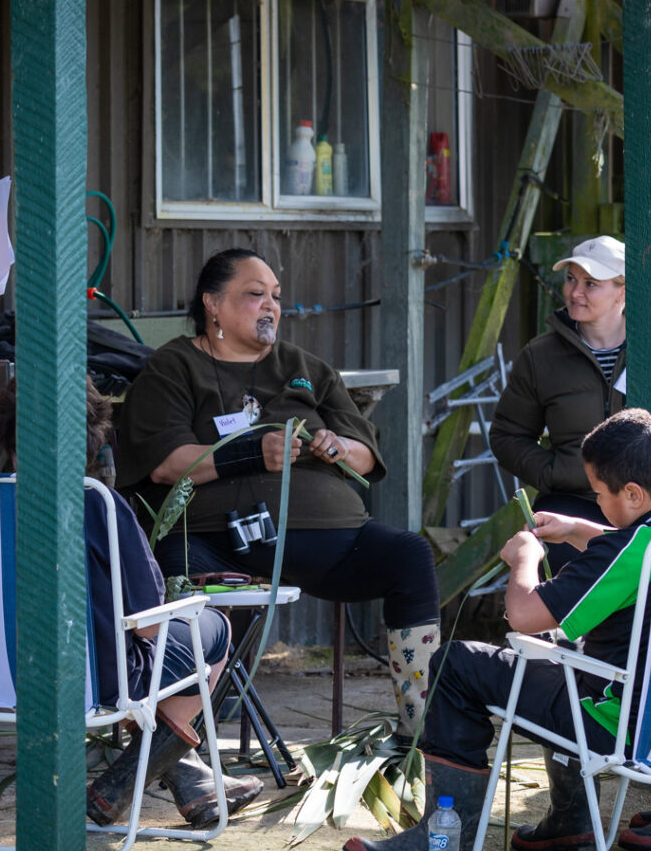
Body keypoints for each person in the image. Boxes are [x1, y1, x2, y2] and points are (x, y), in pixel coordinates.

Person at [343, 410, 651, 851]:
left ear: (632, 493)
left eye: (599, 493)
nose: (595, 499)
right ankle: (570, 819)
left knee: (456, 663)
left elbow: (526, 616)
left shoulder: (630, 553)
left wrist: (525, 558)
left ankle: (445, 838)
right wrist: (576, 529)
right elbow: (629, 552)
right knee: (562, 658)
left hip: (612, 725)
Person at [116, 248, 442, 737]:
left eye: (276, 296)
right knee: (178, 583)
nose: (270, 305)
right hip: (215, 544)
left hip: (329, 543)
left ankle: (425, 733)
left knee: (410, 555)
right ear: (213, 303)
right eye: (254, 295)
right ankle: (172, 745)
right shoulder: (174, 367)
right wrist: (248, 455)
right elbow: (163, 464)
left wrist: (339, 448)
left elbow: (367, 455)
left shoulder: (305, 366)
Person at [0, 377, 263, 830]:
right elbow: (148, 628)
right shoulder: (97, 503)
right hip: (98, 681)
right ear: (91, 437)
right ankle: (120, 782)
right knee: (213, 629)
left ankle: (192, 780)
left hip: (7, 674)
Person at [490, 235, 651, 567]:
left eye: (590, 283)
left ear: (623, 291)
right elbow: (507, 435)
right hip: (573, 500)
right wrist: (555, 474)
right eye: (571, 279)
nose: (574, 292)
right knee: (569, 582)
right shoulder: (540, 356)